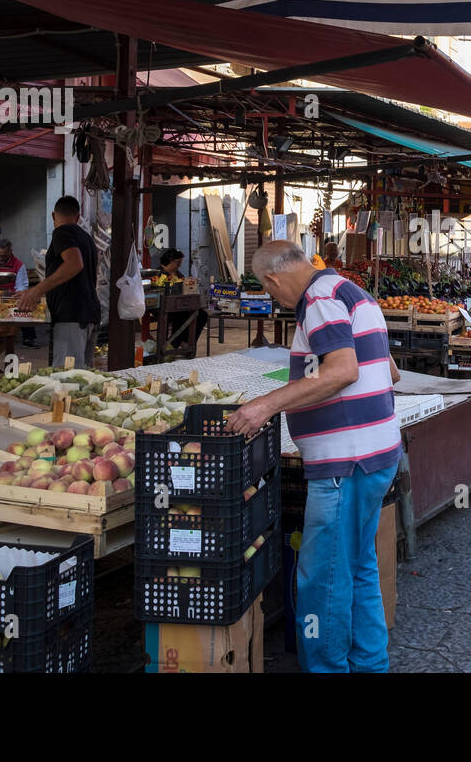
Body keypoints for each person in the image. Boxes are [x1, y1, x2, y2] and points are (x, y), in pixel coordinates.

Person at [225, 241, 401, 673]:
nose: (274, 300)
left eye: (269, 292)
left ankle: (327, 667)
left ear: (272, 279)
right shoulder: (351, 292)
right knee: (358, 566)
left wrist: (266, 404)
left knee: (321, 578)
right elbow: (390, 371)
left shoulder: (319, 299)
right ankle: (370, 664)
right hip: (377, 454)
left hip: (346, 465)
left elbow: (343, 370)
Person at [15, 196, 99, 368]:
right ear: (78, 217)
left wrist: (35, 292)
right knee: (84, 379)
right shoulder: (86, 238)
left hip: (72, 317)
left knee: (67, 380)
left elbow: (75, 264)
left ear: (53, 216)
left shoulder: (62, 232)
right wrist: (34, 293)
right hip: (90, 315)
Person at [157, 248, 209, 350]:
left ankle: (187, 342)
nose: (179, 265)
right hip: (166, 306)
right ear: (171, 261)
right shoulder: (159, 273)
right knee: (183, 316)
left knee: (202, 315)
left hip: (181, 304)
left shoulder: (177, 273)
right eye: (177, 263)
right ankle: (175, 343)